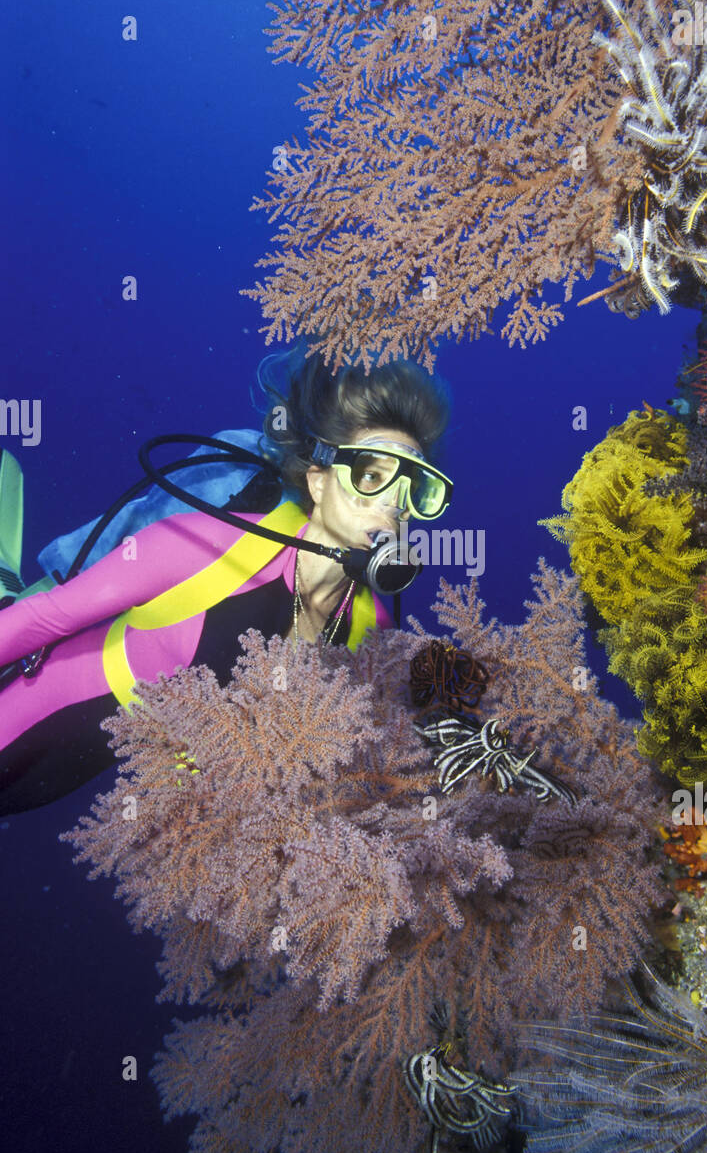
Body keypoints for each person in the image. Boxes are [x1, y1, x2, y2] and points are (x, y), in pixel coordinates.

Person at [0, 346, 451, 813]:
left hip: (80, 773)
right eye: (370, 475)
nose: (393, 503)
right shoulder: (205, 546)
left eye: (415, 488)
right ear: (318, 481)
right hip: (35, 706)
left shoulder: (370, 628)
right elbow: (49, 618)